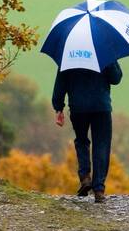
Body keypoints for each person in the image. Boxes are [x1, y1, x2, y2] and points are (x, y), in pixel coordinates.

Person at [52, 60, 122, 203]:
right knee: (101, 145)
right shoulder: (103, 51)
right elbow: (116, 78)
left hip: (78, 107)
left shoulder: (69, 54)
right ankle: (99, 190)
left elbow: (60, 83)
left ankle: (85, 177)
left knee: (81, 140)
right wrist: (112, 60)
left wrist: (58, 107)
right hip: (101, 106)